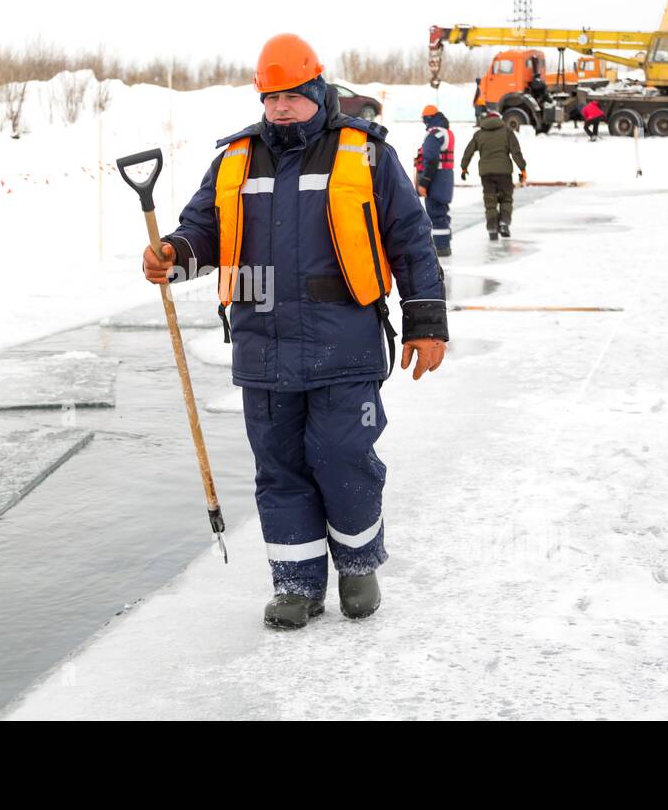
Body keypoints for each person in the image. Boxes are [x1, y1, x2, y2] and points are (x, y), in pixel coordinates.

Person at [142, 34, 448, 629]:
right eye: (270, 97)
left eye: (292, 97)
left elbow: (411, 241)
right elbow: (203, 234)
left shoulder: (364, 154)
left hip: (346, 341)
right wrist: (173, 255)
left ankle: (358, 565)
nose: (280, 108)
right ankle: (296, 582)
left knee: (341, 457)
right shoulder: (235, 159)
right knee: (278, 467)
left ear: (317, 91)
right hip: (263, 345)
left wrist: (426, 321)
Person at [460, 109, 527, 240]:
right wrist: (522, 168)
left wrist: (464, 168)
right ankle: (504, 223)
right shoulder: (507, 132)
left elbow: (468, 152)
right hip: (504, 172)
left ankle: (492, 229)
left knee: (490, 201)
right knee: (506, 199)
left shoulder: (479, 134)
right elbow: (516, 152)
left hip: (486, 173)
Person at [416, 105, 455, 257]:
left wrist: (424, 182)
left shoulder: (435, 133)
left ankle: (441, 248)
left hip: (435, 179)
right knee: (442, 212)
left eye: (424, 120)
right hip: (445, 177)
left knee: (436, 213)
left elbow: (431, 159)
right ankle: (445, 242)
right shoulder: (446, 132)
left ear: (429, 119)